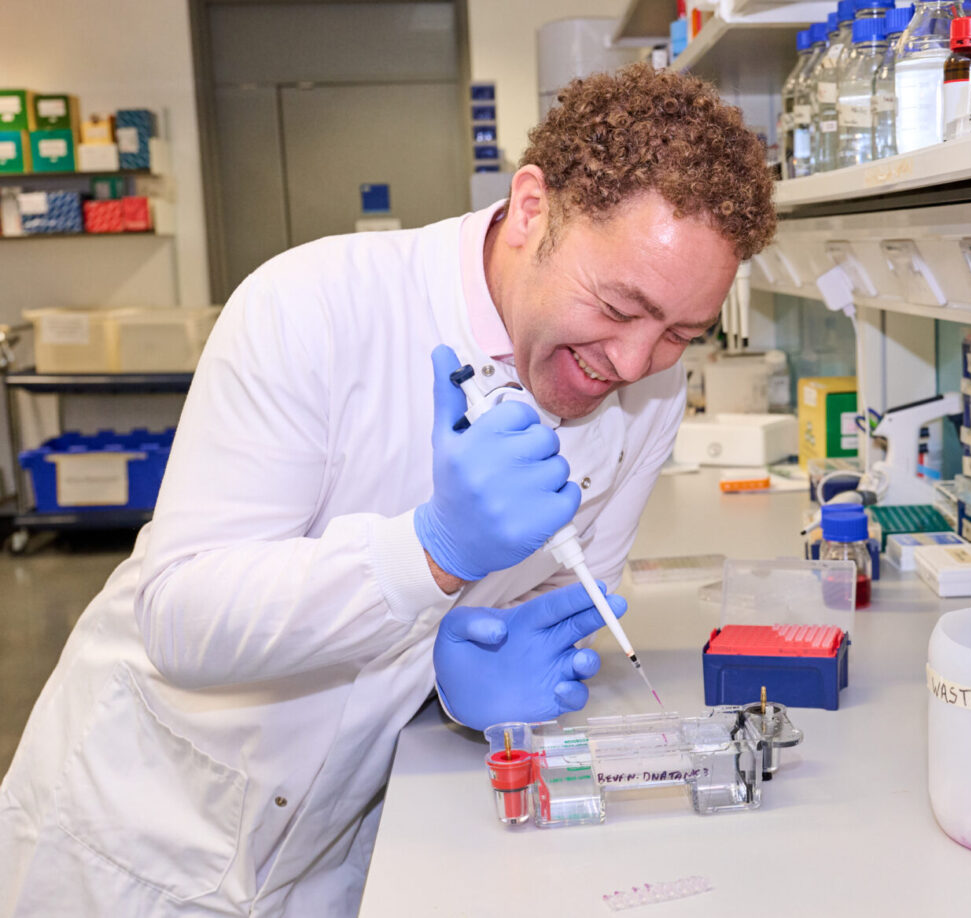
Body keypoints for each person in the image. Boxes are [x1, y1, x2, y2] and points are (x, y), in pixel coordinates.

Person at [0, 63, 774, 917]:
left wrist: (467, 690)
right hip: (136, 836)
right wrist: (429, 553)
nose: (632, 362)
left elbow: (562, 599)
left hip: (342, 844)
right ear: (531, 208)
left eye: (680, 332)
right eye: (619, 304)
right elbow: (180, 618)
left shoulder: (648, 395)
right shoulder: (311, 307)